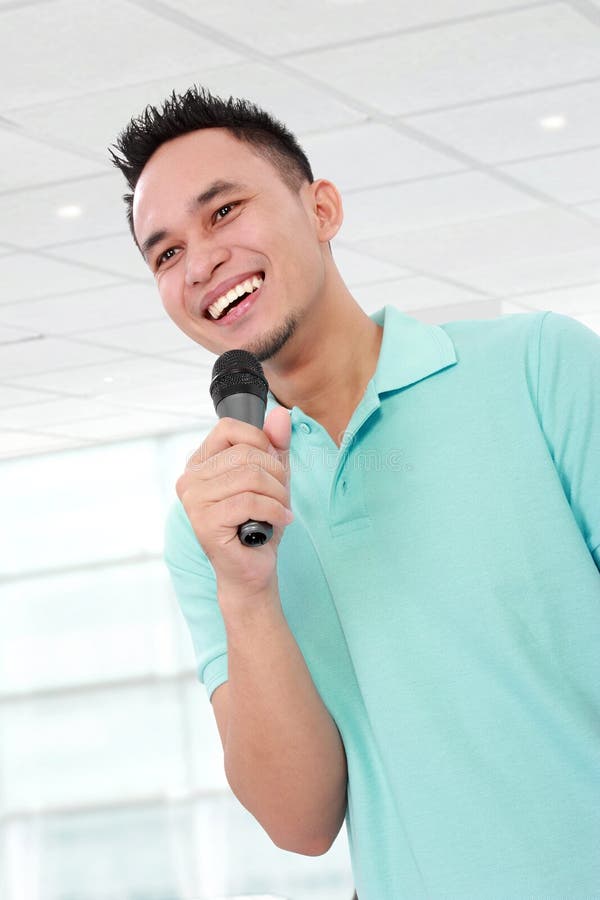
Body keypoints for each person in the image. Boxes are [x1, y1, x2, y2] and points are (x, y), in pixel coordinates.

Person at [110, 86, 600, 898]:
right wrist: (247, 591)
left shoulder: (540, 367)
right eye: (165, 255)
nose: (199, 264)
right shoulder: (212, 529)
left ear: (323, 210)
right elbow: (301, 823)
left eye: (224, 212)